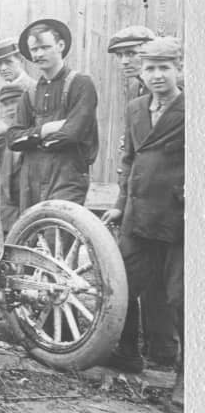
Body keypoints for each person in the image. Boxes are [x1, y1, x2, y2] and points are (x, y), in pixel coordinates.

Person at [100, 37, 184, 407]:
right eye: (150, 68)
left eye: (164, 67)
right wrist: (119, 204)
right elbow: (130, 160)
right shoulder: (135, 108)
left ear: (178, 69)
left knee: (181, 296)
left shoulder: (192, 109)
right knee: (121, 284)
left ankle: (188, 378)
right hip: (138, 216)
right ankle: (126, 353)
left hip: (179, 222)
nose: (157, 75)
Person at [6, 19, 99, 211]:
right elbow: (12, 139)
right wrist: (45, 130)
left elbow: (71, 134)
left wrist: (31, 139)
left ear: (61, 46)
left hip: (67, 177)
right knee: (29, 237)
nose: (39, 54)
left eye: (45, 47)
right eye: (34, 50)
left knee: (57, 235)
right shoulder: (30, 93)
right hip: (31, 179)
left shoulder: (81, 84)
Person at [0, 83, 25, 233]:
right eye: (6, 104)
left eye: (14, 102)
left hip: (30, 216)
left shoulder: (34, 136)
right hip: (7, 218)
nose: (9, 108)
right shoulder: (3, 139)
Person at [108, 26, 156, 102]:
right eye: (119, 55)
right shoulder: (135, 89)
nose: (124, 61)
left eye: (131, 53)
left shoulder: (167, 87)